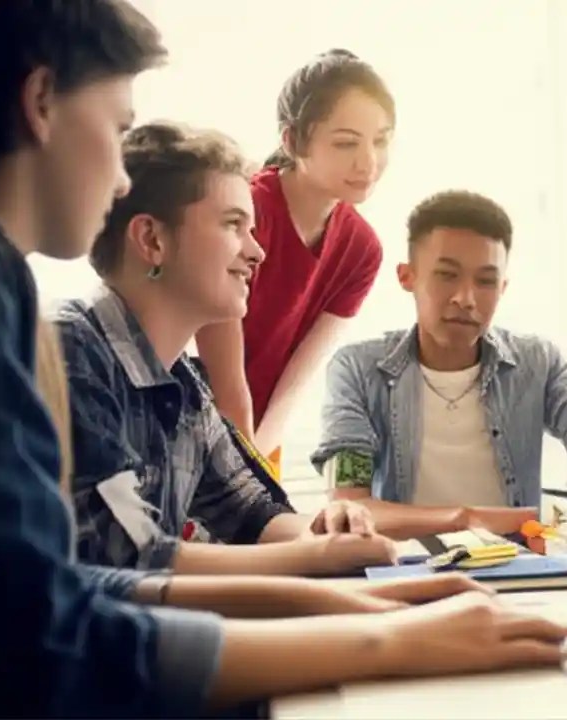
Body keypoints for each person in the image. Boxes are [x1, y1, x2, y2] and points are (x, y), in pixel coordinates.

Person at [0, 2, 567, 716]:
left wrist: (359, 586)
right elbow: (93, 593)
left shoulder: (169, 371)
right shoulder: (66, 342)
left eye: (486, 280)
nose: (259, 250)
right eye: (116, 129)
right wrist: (379, 626)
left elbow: (246, 513)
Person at [57, 120, 385, 575]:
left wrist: (325, 528)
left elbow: (250, 510)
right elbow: (130, 555)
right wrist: (313, 556)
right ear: (152, 240)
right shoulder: (67, 354)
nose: (257, 252)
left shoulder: (186, 385)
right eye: (234, 225)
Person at [313, 190, 567, 537]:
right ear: (407, 276)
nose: (466, 298)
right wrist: (465, 518)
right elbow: (350, 507)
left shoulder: (536, 362)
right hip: (404, 568)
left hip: (517, 564)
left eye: (485, 281)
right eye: (447, 275)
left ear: (502, 288)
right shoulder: (357, 369)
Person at [196, 49, 393, 469]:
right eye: (345, 143)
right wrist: (239, 473)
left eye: (380, 140)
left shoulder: (363, 249)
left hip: (257, 442)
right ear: (292, 140)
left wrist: (252, 464)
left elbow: (296, 380)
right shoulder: (245, 208)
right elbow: (224, 377)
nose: (368, 162)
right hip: (189, 426)